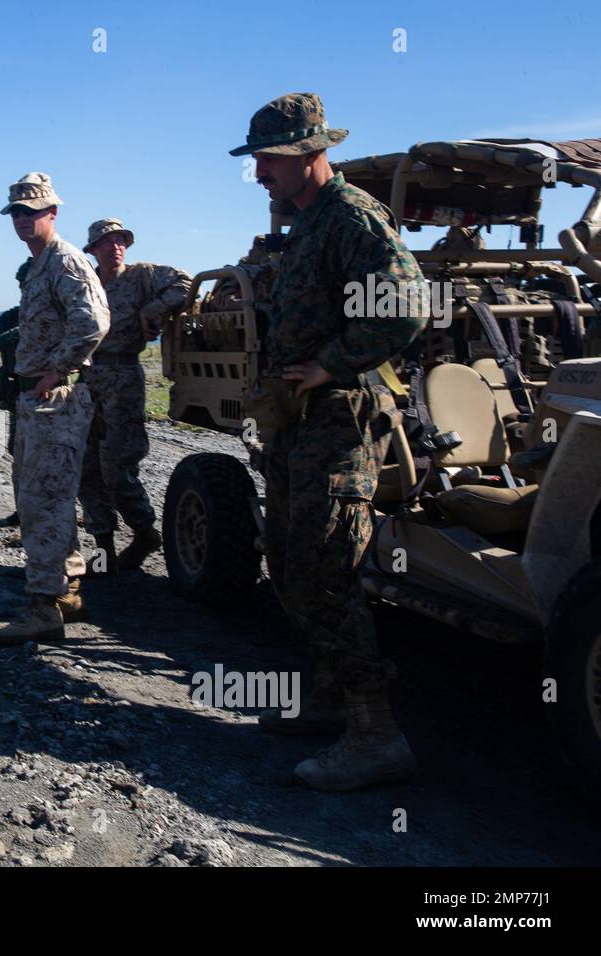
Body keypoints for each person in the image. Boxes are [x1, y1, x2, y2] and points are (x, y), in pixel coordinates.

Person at [229, 92, 426, 790]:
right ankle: (328, 696)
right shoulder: (306, 223)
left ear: (311, 153)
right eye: (258, 161)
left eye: (269, 161)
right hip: (298, 423)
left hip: (339, 419)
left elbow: (406, 306)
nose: (260, 175)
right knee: (286, 558)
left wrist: (332, 365)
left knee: (327, 565)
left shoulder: (351, 216)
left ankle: (376, 734)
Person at [0, 173, 109, 646]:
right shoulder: (39, 264)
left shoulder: (65, 261)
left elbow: (94, 322)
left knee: (41, 502)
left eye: (32, 211)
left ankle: (43, 608)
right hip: (39, 400)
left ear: (53, 214)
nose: (23, 219)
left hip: (54, 401)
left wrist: (58, 369)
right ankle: (68, 591)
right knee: (49, 495)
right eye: (16, 212)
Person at [79, 218, 191, 573]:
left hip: (123, 376)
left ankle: (145, 532)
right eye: (107, 242)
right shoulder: (86, 284)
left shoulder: (142, 275)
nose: (115, 247)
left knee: (117, 466)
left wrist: (153, 309)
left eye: (121, 241)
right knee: (87, 466)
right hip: (85, 378)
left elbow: (186, 284)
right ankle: (103, 549)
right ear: (93, 249)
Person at [0, 259, 31, 528]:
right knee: (19, 455)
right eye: (26, 286)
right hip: (18, 394)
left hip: (52, 394)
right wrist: (21, 330)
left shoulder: (57, 314)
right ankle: (23, 511)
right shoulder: (11, 317)